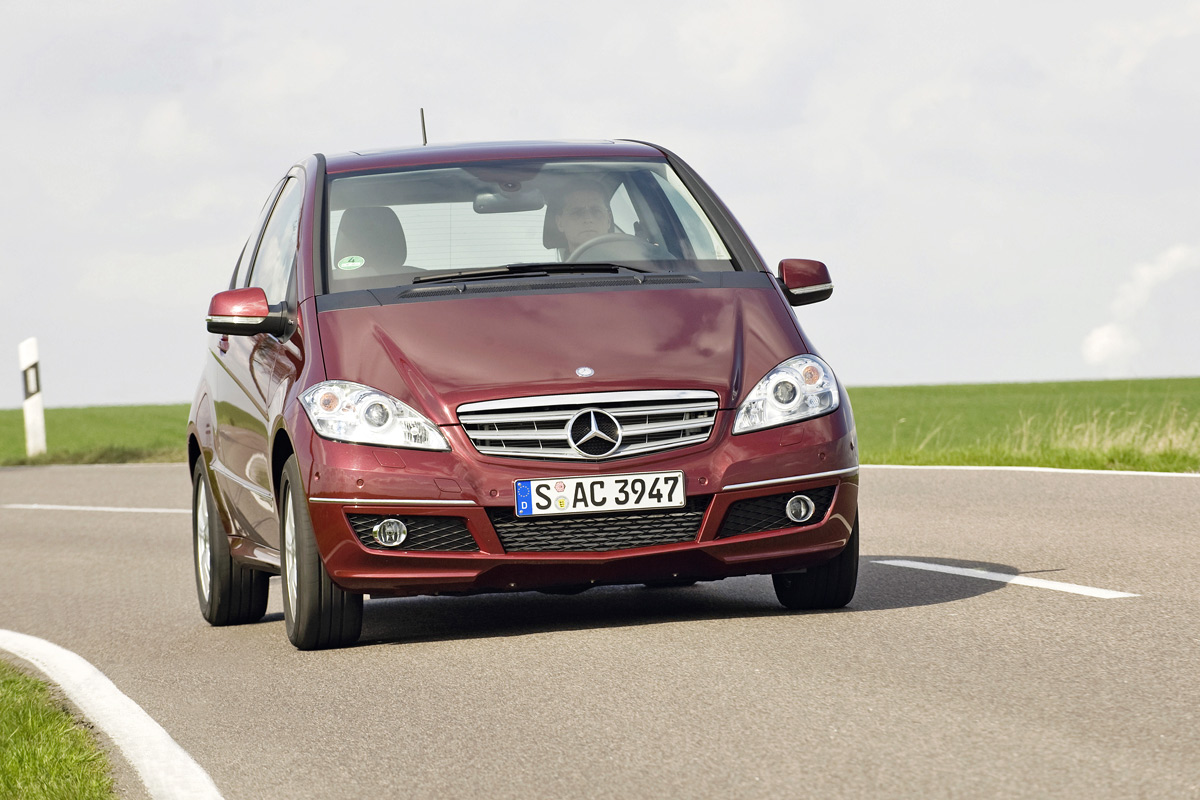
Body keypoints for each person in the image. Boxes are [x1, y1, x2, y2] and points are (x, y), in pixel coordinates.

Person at [554, 180, 616, 257]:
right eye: (576, 212)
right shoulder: (544, 269)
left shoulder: (630, 265)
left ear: (608, 220)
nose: (588, 219)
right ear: (560, 223)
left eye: (596, 211)